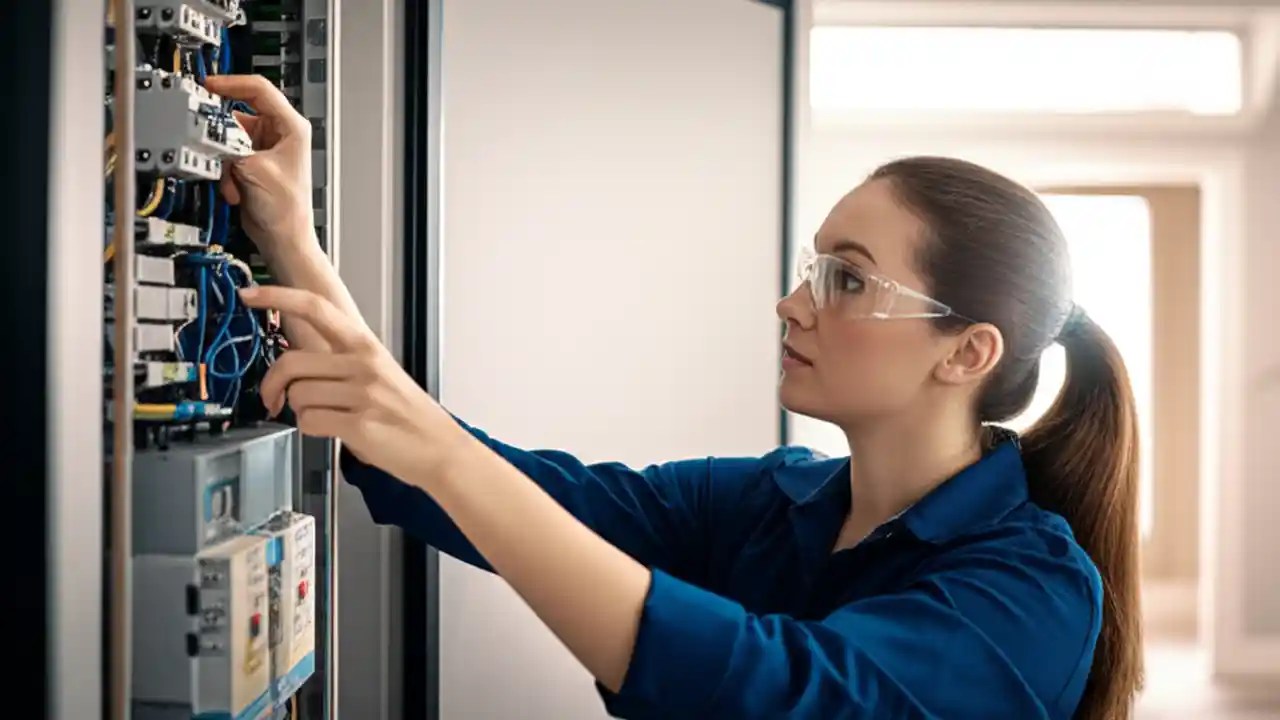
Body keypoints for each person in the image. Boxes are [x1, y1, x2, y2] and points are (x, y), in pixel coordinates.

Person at [206, 73, 1144, 719]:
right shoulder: (772, 501)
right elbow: (507, 493)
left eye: (848, 281)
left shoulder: (1032, 593)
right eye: (811, 269)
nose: (792, 304)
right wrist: (294, 240)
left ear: (967, 352)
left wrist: (441, 452)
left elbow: (770, 694)